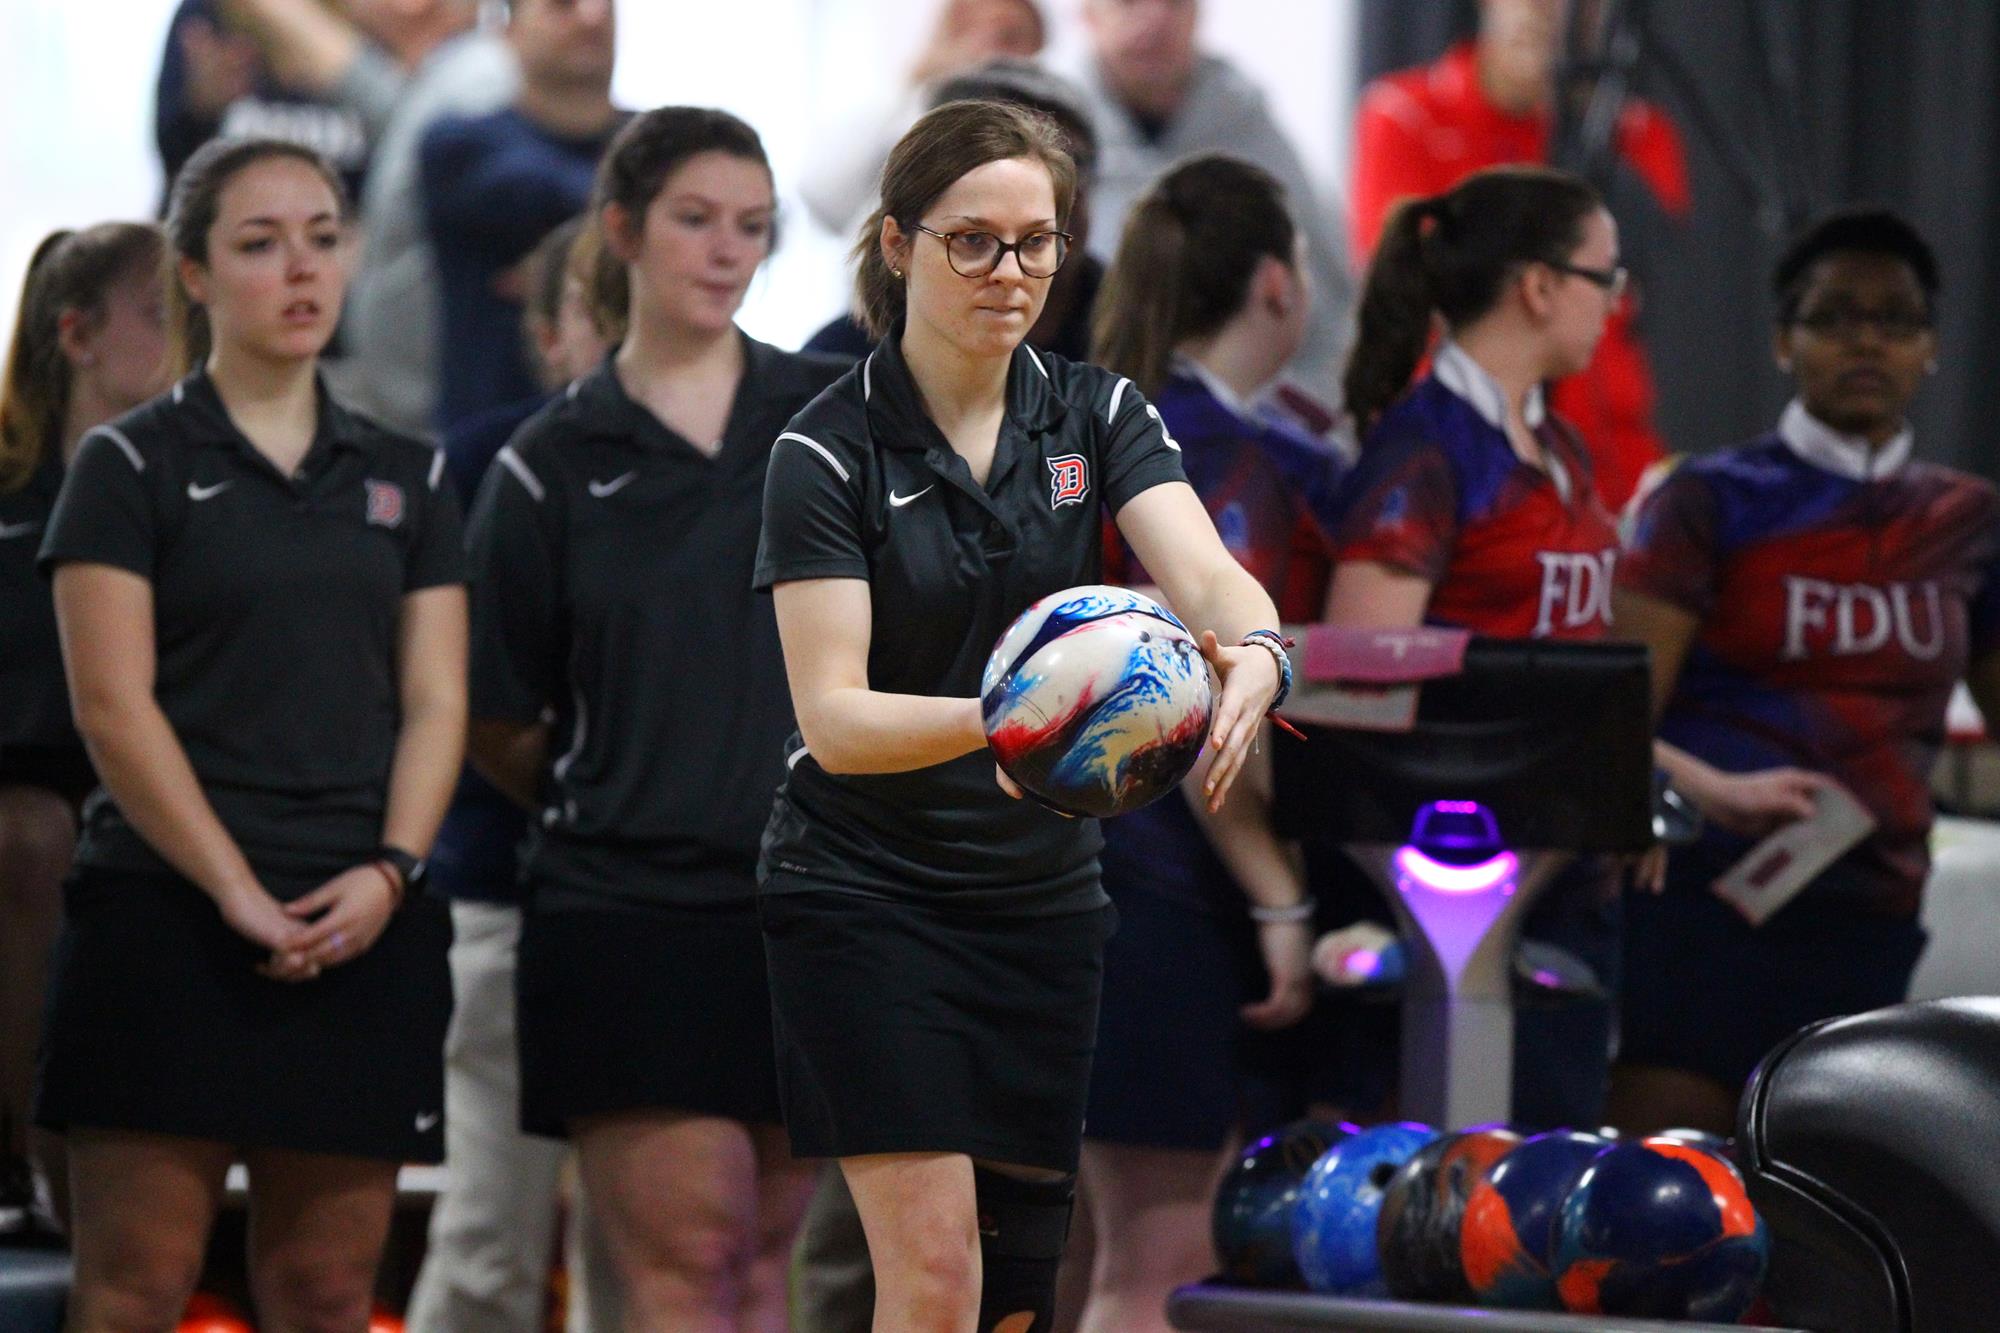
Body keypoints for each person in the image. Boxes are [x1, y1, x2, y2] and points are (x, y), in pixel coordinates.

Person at [754, 98, 1287, 1333]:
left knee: (1016, 1292)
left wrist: (1256, 650)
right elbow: (833, 718)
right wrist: (1021, 716)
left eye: (1037, 243)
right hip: (864, 893)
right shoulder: (824, 450)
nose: (1012, 274)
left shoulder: (1095, 415)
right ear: (896, 245)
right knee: (934, 1280)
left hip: (1040, 896)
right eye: (973, 242)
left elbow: (1207, 580)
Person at [34, 137, 464, 1330]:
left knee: (327, 1291)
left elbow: (435, 700)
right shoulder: (128, 464)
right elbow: (110, 709)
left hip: (358, 914)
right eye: (260, 243)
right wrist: (232, 892)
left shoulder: (404, 472)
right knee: (133, 1288)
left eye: (322, 238)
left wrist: (390, 871)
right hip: (166, 911)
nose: (300, 270)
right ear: (195, 273)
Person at [466, 106, 848, 1330]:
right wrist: (638, 785)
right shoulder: (550, 463)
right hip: (624, 909)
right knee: (685, 1262)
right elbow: (496, 713)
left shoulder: (828, 422)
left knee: (762, 1264)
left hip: (804, 906)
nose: (726, 250)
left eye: (750, 226)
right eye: (695, 220)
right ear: (622, 230)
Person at [1608, 209, 2000, 1136]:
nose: (1867, 340)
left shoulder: (1968, 521)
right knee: (1671, 1200)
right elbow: (1615, 713)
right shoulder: (1708, 499)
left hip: (1870, 912)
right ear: (1785, 340)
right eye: (1835, 317)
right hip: (1705, 904)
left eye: (1896, 320)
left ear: (1931, 347)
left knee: (1834, 1206)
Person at [1076, 153, 1345, 1332]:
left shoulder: (1145, 420)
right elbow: (1186, 702)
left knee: (1096, 1255)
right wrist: (1278, 896)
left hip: (1107, 878)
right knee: (1158, 1264)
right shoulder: (1204, 455)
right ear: (1278, 285)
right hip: (1156, 887)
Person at [1320, 165, 1626, 1130]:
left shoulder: (1564, 452)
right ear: (1539, 287)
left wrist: (1657, 783)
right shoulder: (1427, 452)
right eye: (1605, 278)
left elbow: (1585, 667)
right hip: (1459, 894)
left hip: (1567, 868)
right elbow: (1354, 675)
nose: (1619, 304)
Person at [404, 214, 617, 1333]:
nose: (625, 329)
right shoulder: (489, 457)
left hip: (663, 899)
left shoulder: (737, 458)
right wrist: (594, 806)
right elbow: (461, 699)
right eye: (598, 304)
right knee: (492, 1232)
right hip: (510, 881)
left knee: (641, 1248)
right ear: (545, 333)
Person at [1349, 0, 1690, 511]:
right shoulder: (1403, 113)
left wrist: (1570, 110)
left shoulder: (1637, 137)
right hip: (1452, 460)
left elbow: (1640, 290)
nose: (1548, 10)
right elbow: (1413, 290)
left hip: (1611, 469)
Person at [0, 222, 169, 1238]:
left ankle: (91, 1169)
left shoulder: (190, 491)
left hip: (150, 790)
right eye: (162, 321)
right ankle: (27, 1153)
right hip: (27, 797)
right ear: (77, 335)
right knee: (31, 837)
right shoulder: (14, 496)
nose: (187, 346)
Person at [1070, 0, 1353, 399]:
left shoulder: (1253, 133)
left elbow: (1333, 317)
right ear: (1085, 14)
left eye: (1174, 3)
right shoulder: (1046, 137)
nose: (1154, 20)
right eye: (1128, 2)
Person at [804, 58, 1104, 366]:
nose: (1043, 189)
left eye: (1070, 164)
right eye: (974, 238)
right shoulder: (840, 363)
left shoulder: (1140, 330)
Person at [419, 0, 623, 434]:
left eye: (605, 4)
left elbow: (758, 221)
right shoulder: (461, 145)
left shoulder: (657, 148)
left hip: (642, 446)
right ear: (506, 29)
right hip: (489, 447)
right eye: (562, 5)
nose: (592, 16)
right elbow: (530, 187)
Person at [797, 0, 1046, 239]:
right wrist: (923, 90)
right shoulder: (907, 106)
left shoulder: (1050, 123)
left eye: (1007, 36)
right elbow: (822, 194)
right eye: (966, 29)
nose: (985, 48)